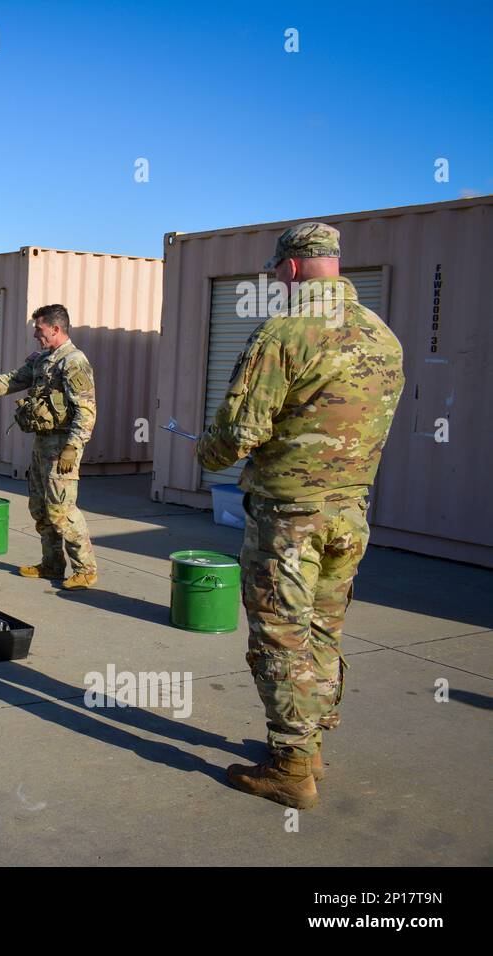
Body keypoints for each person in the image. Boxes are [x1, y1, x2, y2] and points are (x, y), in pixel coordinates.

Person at [196, 222, 405, 809]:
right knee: (323, 628)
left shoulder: (285, 331)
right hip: (350, 512)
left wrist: (204, 452)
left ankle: (290, 766)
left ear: (290, 268)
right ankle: (309, 743)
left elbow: (239, 430)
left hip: (290, 516)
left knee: (281, 632)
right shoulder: (382, 335)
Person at [0, 304, 97, 589]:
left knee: (62, 510)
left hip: (63, 447)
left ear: (56, 329)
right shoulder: (43, 360)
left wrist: (73, 447)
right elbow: (12, 381)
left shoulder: (74, 361)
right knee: (41, 508)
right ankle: (52, 564)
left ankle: (86, 569)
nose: (35, 335)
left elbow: (87, 410)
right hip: (42, 444)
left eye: (39, 329)